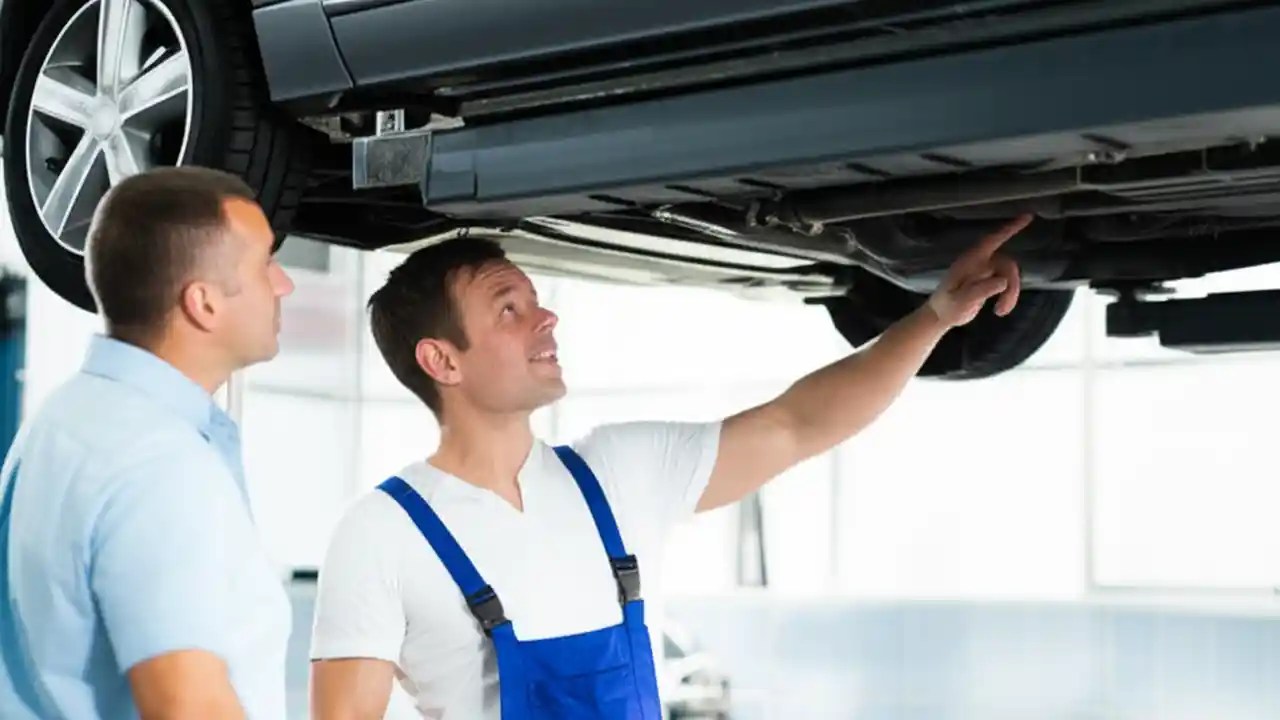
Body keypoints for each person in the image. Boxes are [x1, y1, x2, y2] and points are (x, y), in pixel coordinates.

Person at [308, 214, 1033, 719]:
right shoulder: (383, 533)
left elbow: (796, 424)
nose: (545, 319)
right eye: (508, 309)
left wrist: (935, 315)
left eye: (536, 301)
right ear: (442, 360)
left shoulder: (616, 475)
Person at [0, 167, 296, 719]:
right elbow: (189, 706)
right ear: (203, 303)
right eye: (266, 265)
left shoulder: (64, 421)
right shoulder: (158, 462)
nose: (285, 285)